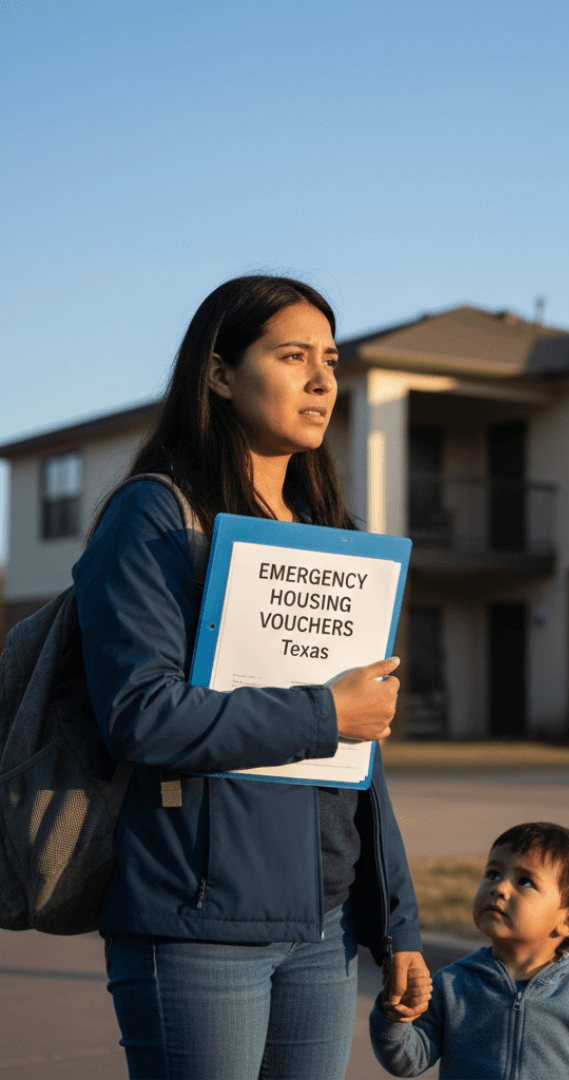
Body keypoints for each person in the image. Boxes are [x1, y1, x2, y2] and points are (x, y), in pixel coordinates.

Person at [74, 275, 432, 1080]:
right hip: (197, 921)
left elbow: (357, 761)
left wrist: (396, 925)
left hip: (325, 925)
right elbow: (140, 714)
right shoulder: (158, 516)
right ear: (220, 374)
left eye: (331, 361)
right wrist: (325, 712)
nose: (321, 380)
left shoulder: (334, 537)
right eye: (292, 355)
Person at [369, 821, 569, 1080]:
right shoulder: (453, 984)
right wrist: (392, 1015)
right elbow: (407, 1061)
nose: (499, 888)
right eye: (493, 874)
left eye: (525, 881)